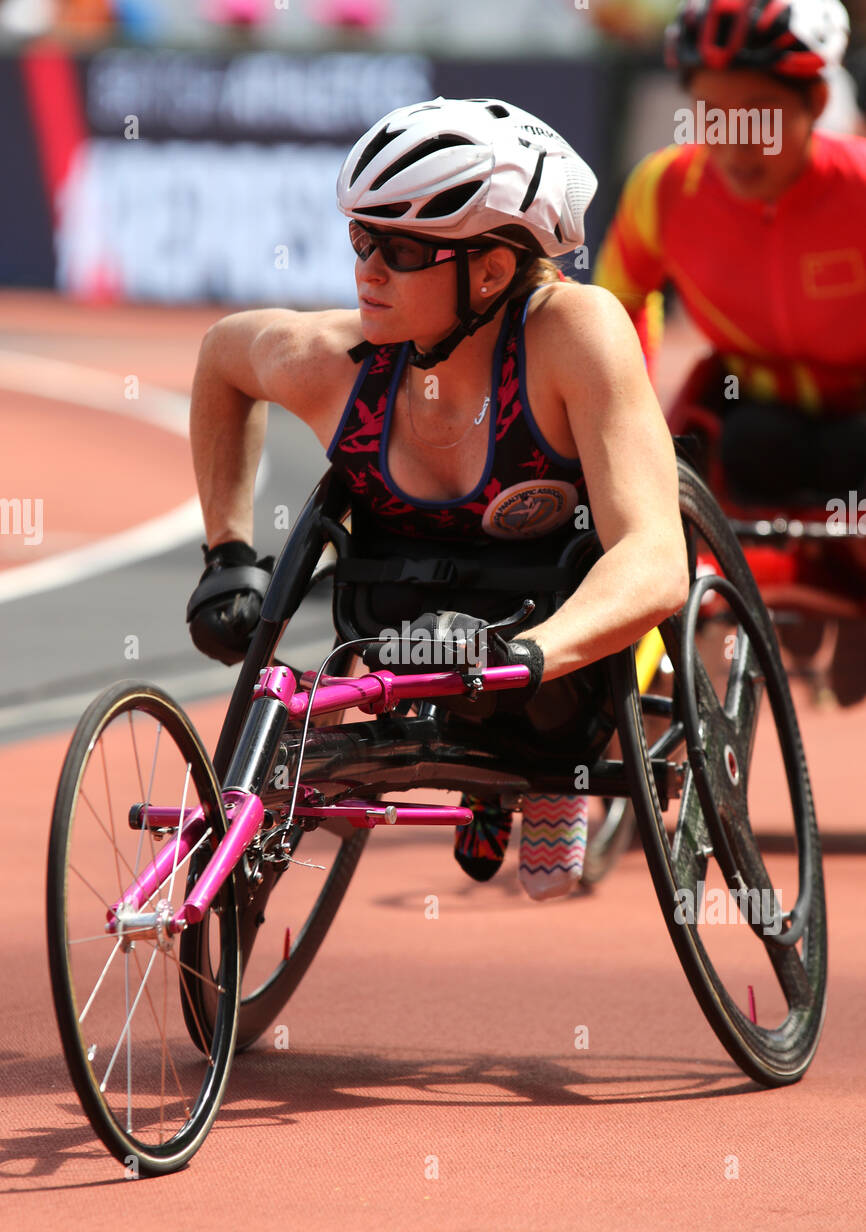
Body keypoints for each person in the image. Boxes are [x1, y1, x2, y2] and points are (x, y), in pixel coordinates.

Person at [186, 97, 688, 897]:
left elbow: (658, 559)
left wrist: (527, 659)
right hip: (398, 628)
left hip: (552, 654)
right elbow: (222, 357)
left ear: (490, 269)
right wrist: (227, 556)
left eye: (402, 247)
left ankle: (538, 773)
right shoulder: (340, 361)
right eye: (361, 236)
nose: (367, 269)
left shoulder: (575, 334)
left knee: (550, 702)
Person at [593, 0, 866, 701]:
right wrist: (632, 426)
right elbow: (613, 312)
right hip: (754, 419)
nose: (735, 140)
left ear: (816, 100)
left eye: (760, 112)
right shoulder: (665, 189)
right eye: (711, 112)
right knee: (748, 441)